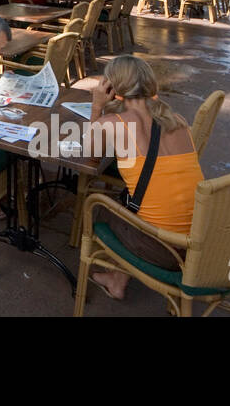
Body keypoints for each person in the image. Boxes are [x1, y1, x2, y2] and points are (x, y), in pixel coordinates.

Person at [79, 55, 203, 300]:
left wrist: (96, 107)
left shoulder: (112, 124)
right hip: (198, 240)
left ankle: (115, 279)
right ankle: (118, 278)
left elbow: (89, 158)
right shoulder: (179, 121)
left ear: (111, 89)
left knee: (102, 207)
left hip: (163, 250)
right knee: (134, 201)